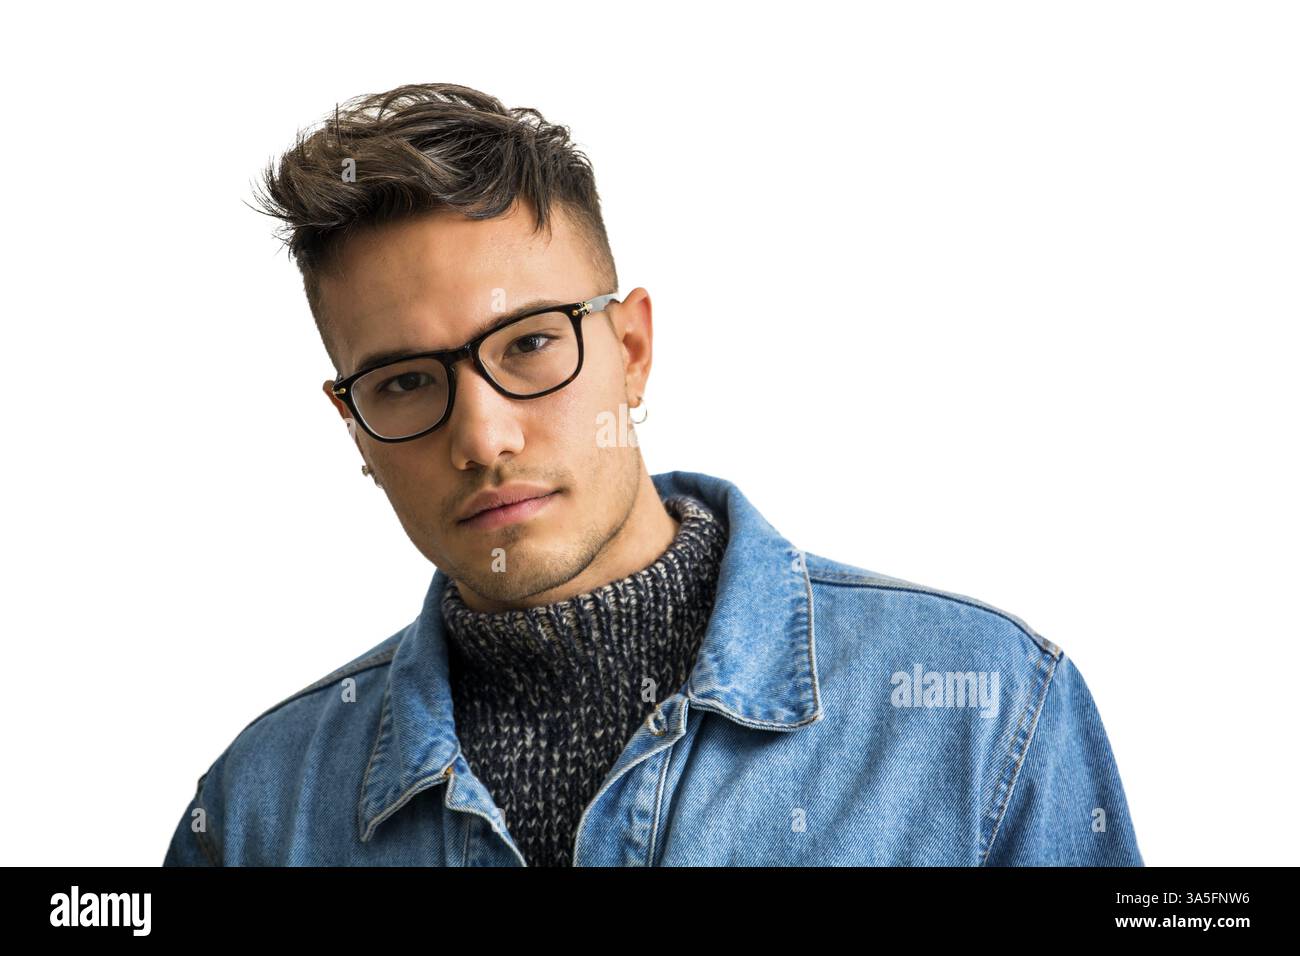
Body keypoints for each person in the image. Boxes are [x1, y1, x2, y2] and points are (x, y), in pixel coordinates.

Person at [164, 82, 1142, 867]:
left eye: (530, 342)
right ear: (354, 425)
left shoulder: (982, 709)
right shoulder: (257, 811)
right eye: (406, 380)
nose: (483, 435)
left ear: (630, 347)